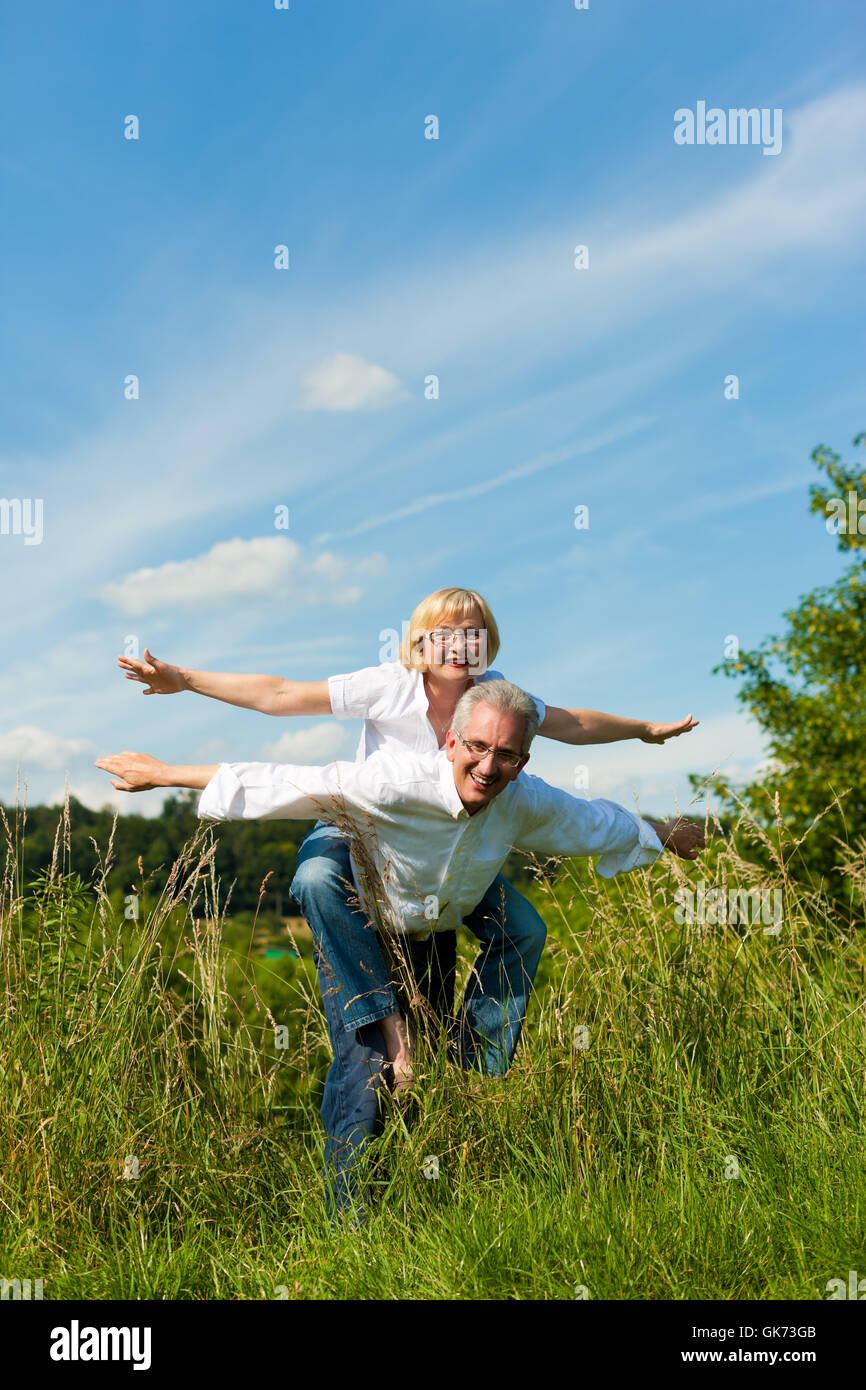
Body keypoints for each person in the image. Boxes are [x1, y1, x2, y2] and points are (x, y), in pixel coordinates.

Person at [96, 679, 705, 1218]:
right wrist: (166, 774)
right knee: (370, 1068)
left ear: (525, 759)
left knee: (435, 1060)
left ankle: (459, 1117)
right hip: (362, 932)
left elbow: (594, 822)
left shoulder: (525, 800)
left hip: (431, 929)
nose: (490, 767)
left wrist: (663, 831)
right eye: (477, 747)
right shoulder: (394, 783)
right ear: (449, 742)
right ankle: (352, 1232)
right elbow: (285, 781)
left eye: (507, 754)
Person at [116, 587, 698, 1094]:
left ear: (488, 647)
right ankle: (389, 1029)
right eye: (442, 633)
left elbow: (572, 724)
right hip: (362, 820)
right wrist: (185, 682)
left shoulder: (496, 701)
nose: (458, 645)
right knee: (319, 877)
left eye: (472, 634)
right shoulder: (387, 688)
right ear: (418, 643)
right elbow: (280, 695)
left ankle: (479, 1068)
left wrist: (642, 730)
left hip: (451, 846)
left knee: (523, 928)